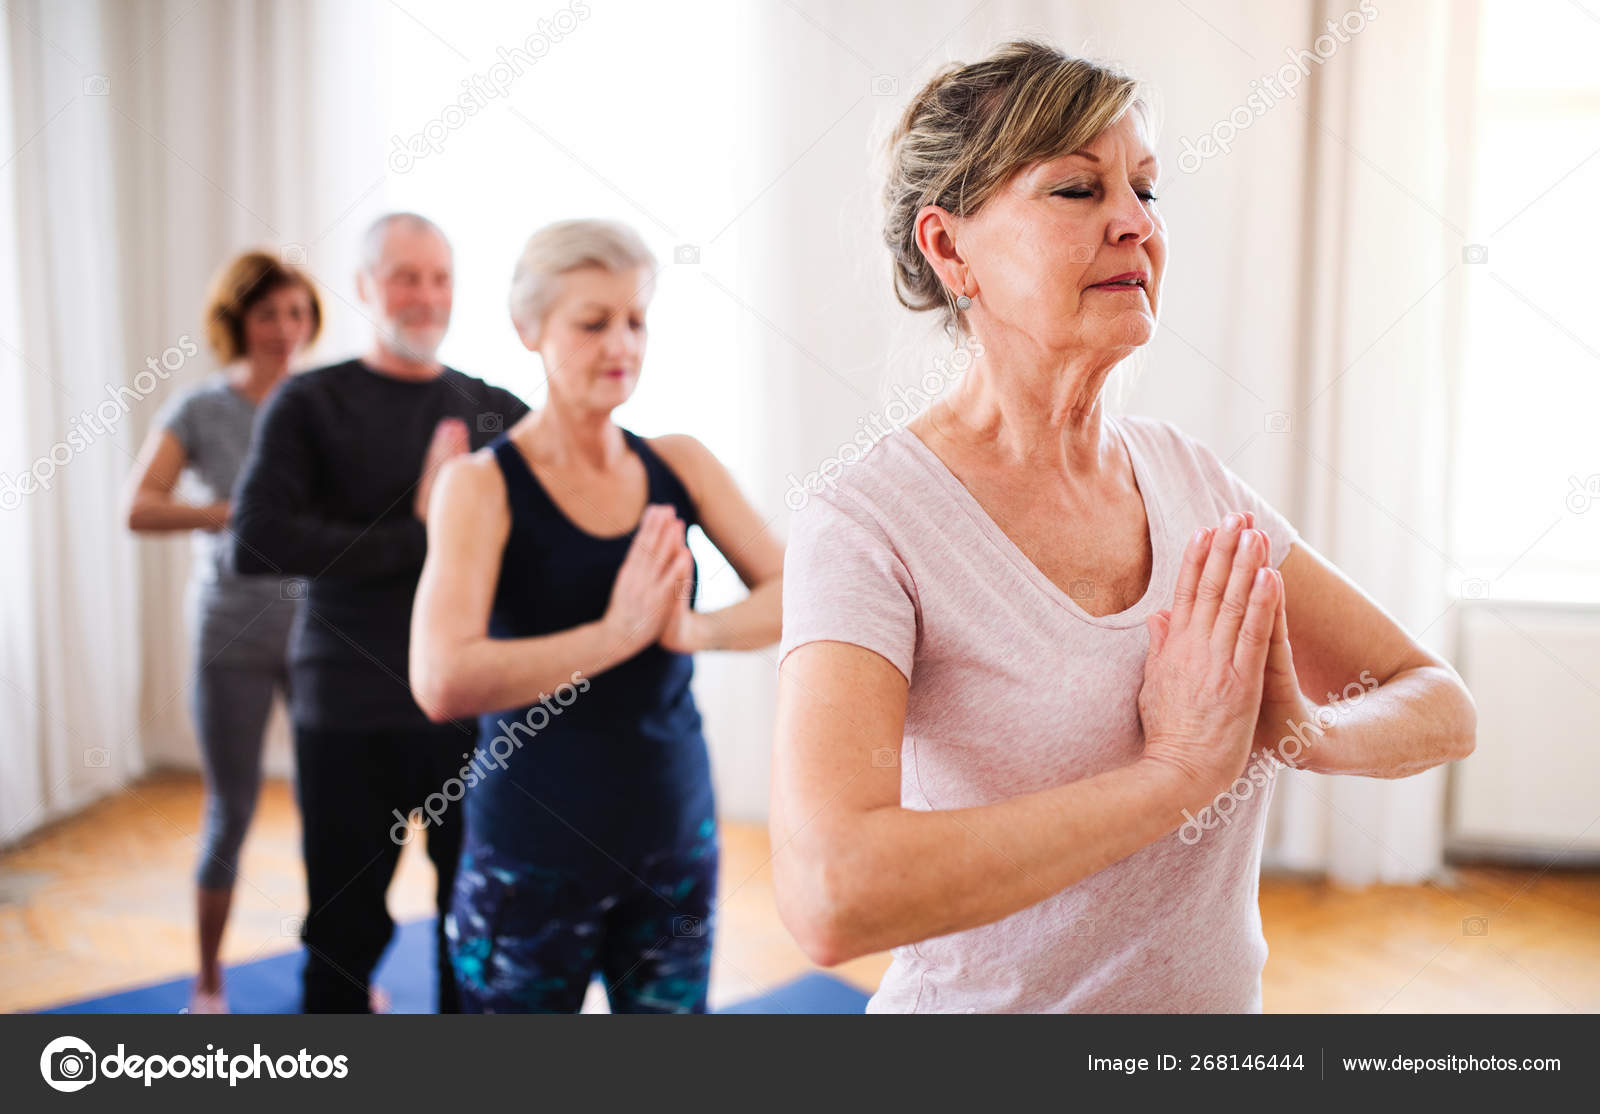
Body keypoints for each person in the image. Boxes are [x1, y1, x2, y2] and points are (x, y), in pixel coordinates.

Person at [770, 41, 1477, 1013]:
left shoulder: (1191, 480)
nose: (1134, 224)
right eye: (1074, 189)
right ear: (948, 247)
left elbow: (1438, 701)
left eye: (1145, 189)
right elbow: (830, 895)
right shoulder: (866, 520)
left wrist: (1305, 730)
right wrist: (1176, 774)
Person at [409, 219, 783, 1012]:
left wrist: (697, 631)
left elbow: (798, 592)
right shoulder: (480, 487)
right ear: (530, 329)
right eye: (593, 322)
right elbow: (442, 679)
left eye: (636, 320)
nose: (622, 343)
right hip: (530, 858)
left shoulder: (679, 462)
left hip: (673, 840)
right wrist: (614, 638)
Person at [230, 213, 530, 1013]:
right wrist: (422, 531)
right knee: (342, 933)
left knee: (473, 933)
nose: (426, 296)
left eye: (440, 278)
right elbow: (254, 540)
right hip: (347, 714)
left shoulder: (491, 406)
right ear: (365, 287)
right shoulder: (310, 401)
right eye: (406, 276)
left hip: (467, 712)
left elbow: (566, 509)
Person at [125, 251, 321, 1014]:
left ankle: (340, 969)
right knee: (230, 811)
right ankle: (208, 985)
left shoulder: (322, 403)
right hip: (231, 630)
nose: (284, 329)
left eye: (298, 313)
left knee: (334, 812)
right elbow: (137, 506)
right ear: (239, 320)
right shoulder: (201, 408)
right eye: (269, 313)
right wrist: (229, 514)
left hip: (319, 637)